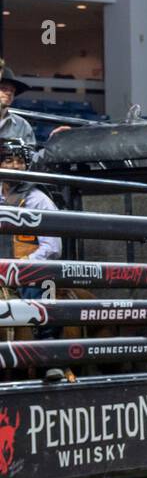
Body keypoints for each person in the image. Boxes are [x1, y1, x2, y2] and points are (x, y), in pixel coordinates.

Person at [1, 138, 63, 355]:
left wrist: (24, 264)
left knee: (40, 290)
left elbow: (53, 247)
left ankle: (49, 354)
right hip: (2, 268)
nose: (15, 166)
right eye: (9, 161)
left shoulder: (37, 199)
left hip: (28, 268)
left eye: (20, 161)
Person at [0, 64, 36, 147]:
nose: (9, 93)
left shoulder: (23, 125)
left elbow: (30, 156)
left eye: (12, 91)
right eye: (3, 88)